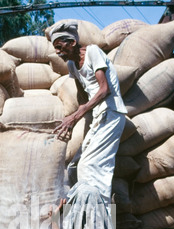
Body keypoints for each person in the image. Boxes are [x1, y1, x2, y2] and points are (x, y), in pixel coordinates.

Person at [49, 20, 127, 209]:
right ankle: (83, 213)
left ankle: (101, 220)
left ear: (73, 43)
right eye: (56, 49)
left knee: (91, 167)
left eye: (60, 47)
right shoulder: (72, 66)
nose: (58, 52)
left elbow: (104, 89)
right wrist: (71, 122)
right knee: (75, 167)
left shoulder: (93, 52)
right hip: (98, 116)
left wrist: (75, 116)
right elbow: (83, 99)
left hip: (112, 112)